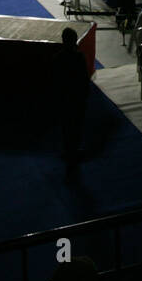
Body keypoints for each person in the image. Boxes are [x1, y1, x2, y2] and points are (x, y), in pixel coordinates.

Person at [51, 27, 91, 176]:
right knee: (76, 125)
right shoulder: (79, 57)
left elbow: (54, 81)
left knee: (67, 126)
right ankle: (73, 150)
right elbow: (84, 79)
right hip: (76, 98)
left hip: (64, 98)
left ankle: (69, 150)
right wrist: (85, 95)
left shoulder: (57, 58)